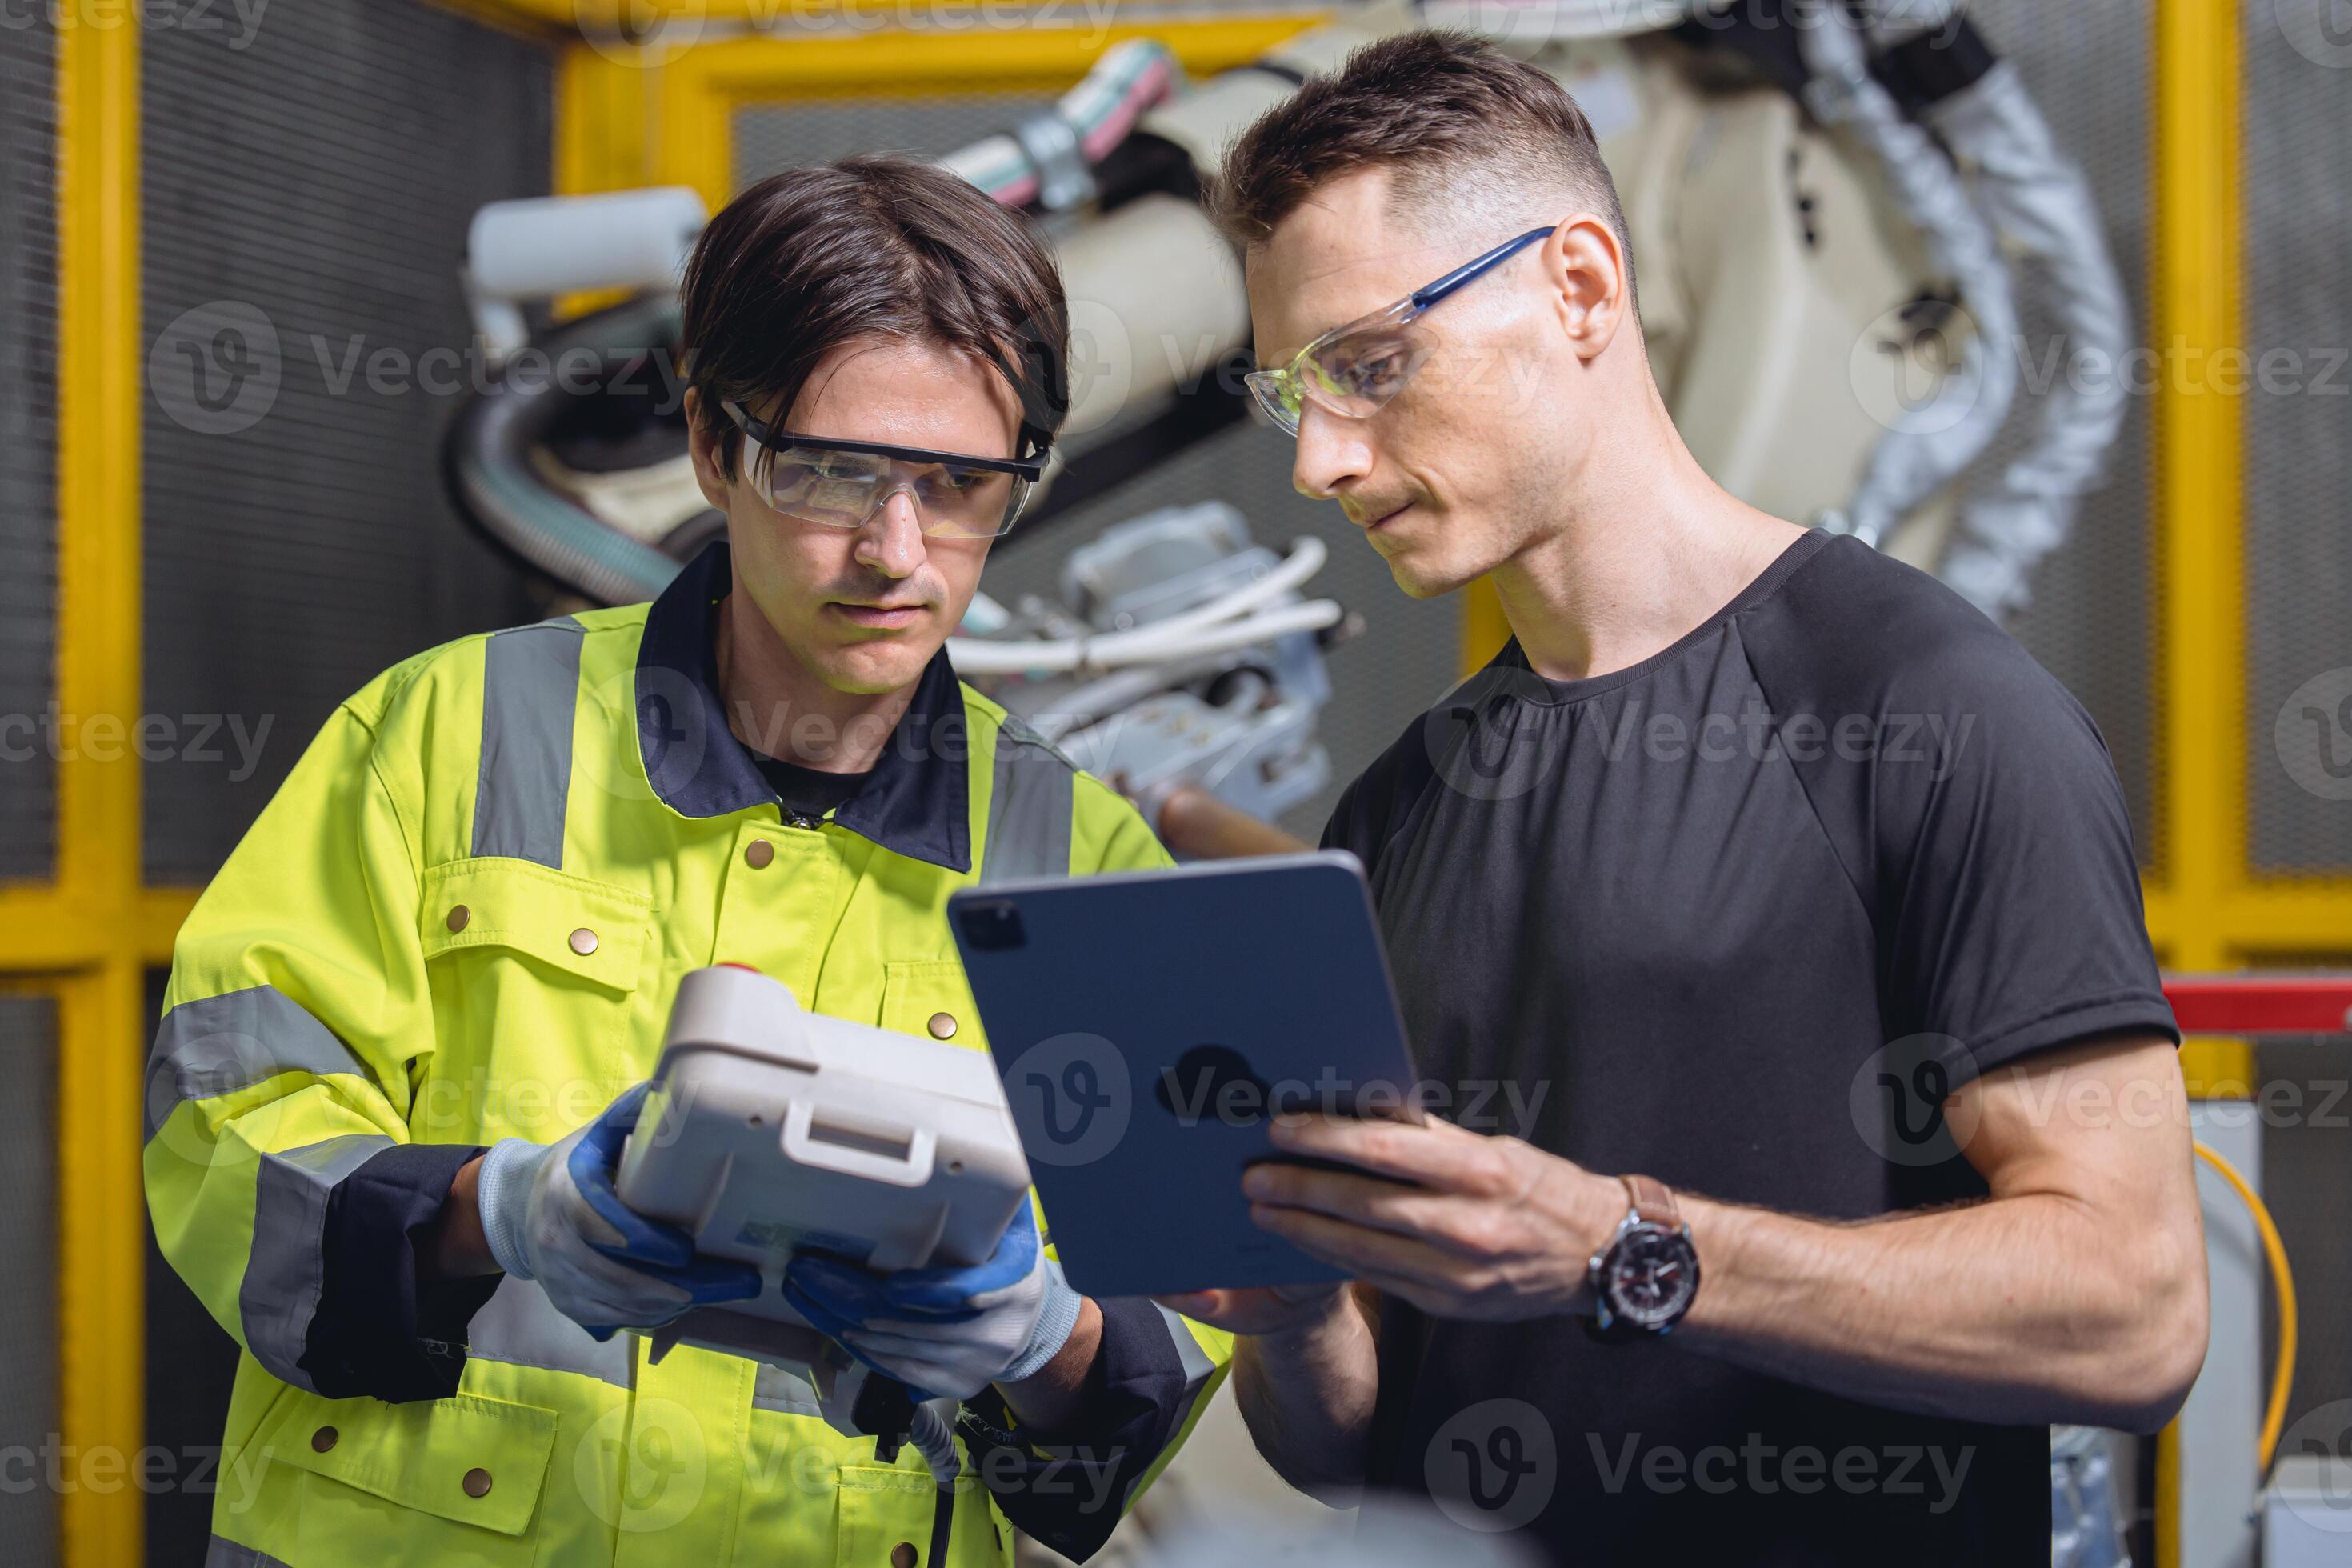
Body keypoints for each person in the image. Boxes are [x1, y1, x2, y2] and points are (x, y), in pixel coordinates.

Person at [1160, 32, 2208, 1564]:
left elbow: (2139, 1310)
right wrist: (1299, 1303)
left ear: (1580, 289)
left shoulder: (1931, 712)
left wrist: (1620, 1246)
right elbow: (1350, 1447)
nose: (1319, 457)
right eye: (1290, 392)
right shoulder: (1392, 817)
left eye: (1370, 367)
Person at [146, 156, 1225, 1567]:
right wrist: (500, 1216)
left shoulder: (1092, 865)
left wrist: (1038, 1337)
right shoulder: (442, 735)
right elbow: (222, 1125)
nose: (896, 553)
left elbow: (1172, 1347)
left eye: (962, 486)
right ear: (714, 445)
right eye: (836, 470)